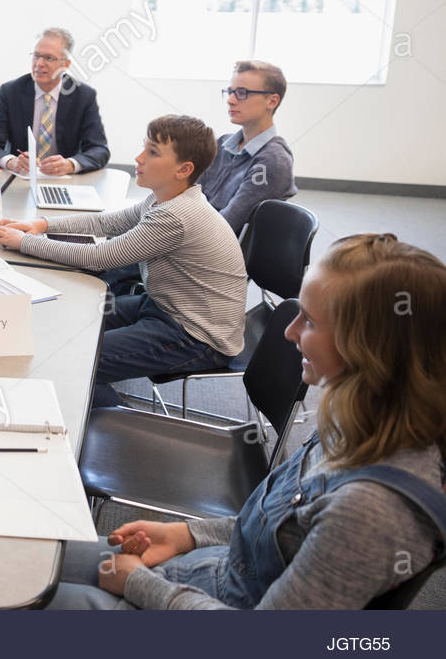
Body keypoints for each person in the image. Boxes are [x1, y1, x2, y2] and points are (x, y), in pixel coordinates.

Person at [47, 233, 446, 609]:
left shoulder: (370, 510)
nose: (290, 332)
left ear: (371, 347)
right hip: (207, 572)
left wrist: (140, 585)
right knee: (18, 556)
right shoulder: (362, 417)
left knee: (9, 597)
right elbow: (281, 527)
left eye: (310, 321)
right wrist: (187, 534)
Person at [0, 115, 246, 405]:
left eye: (152, 152)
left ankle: (112, 427)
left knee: (76, 360)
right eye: (144, 148)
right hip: (165, 308)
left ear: (183, 169)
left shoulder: (176, 216)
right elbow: (109, 223)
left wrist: (25, 242)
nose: (138, 158)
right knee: (71, 317)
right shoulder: (164, 198)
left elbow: (101, 257)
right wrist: (43, 225)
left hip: (195, 336)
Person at [0, 27, 109, 175]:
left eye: (49, 58)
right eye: (36, 56)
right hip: (20, 178)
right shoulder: (11, 91)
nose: (39, 63)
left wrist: (70, 164)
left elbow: (99, 150)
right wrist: (11, 161)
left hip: (65, 180)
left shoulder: (83, 96)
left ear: (66, 65)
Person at [200, 60, 298, 235]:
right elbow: (188, 198)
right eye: (230, 92)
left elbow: (225, 226)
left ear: (272, 101)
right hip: (197, 239)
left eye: (242, 93)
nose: (230, 100)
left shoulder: (273, 161)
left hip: (218, 254)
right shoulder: (222, 144)